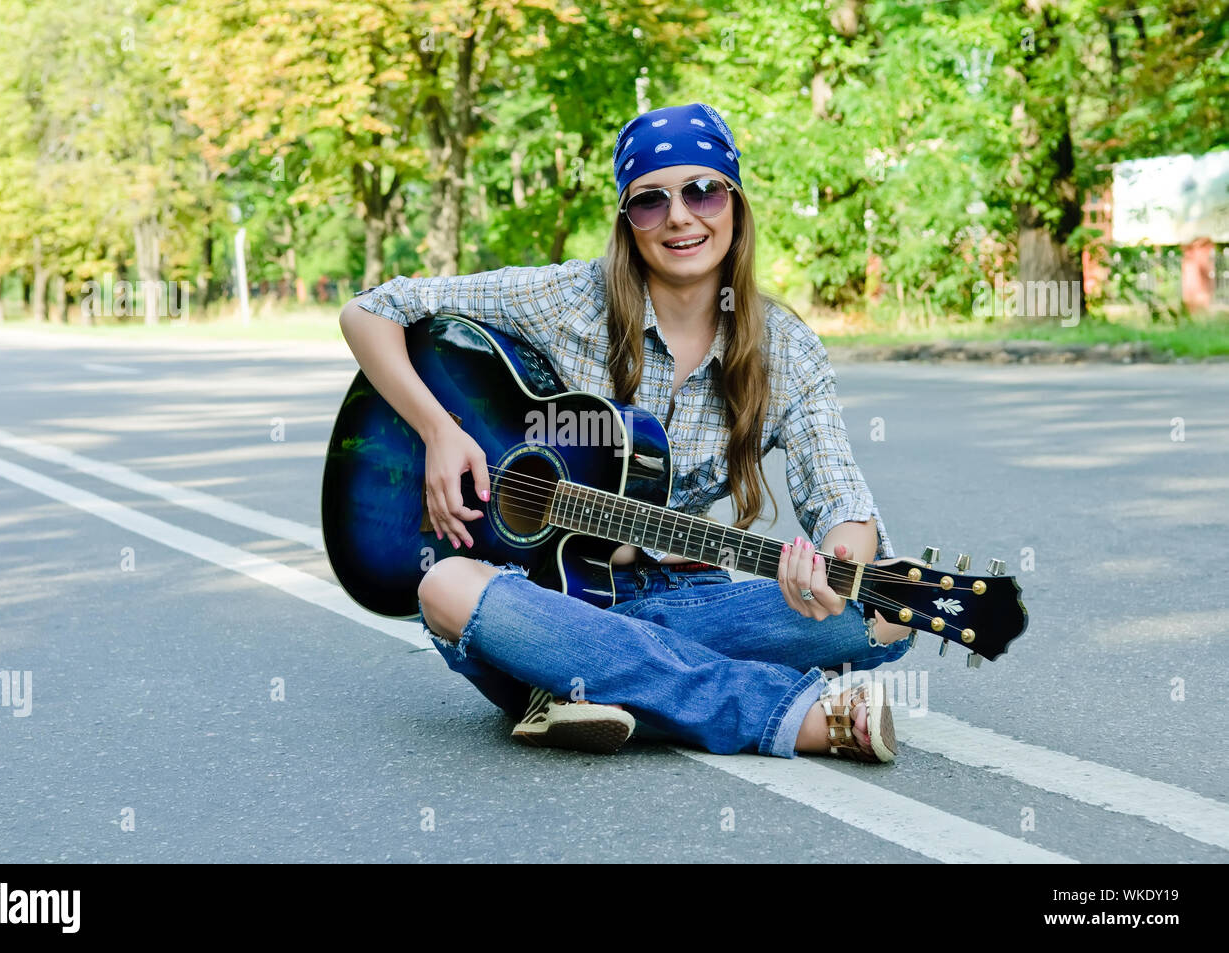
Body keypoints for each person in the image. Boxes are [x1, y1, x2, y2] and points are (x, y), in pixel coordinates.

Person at [339, 102, 917, 763]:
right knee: (443, 588)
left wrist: (832, 565)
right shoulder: (568, 298)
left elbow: (842, 501)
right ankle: (795, 718)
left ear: (736, 205)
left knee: (885, 607)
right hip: (547, 595)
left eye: (703, 190)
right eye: (650, 200)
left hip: (689, 602)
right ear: (626, 219)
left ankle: (584, 682)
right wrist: (438, 430)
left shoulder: (785, 348)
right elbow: (371, 312)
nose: (679, 216)